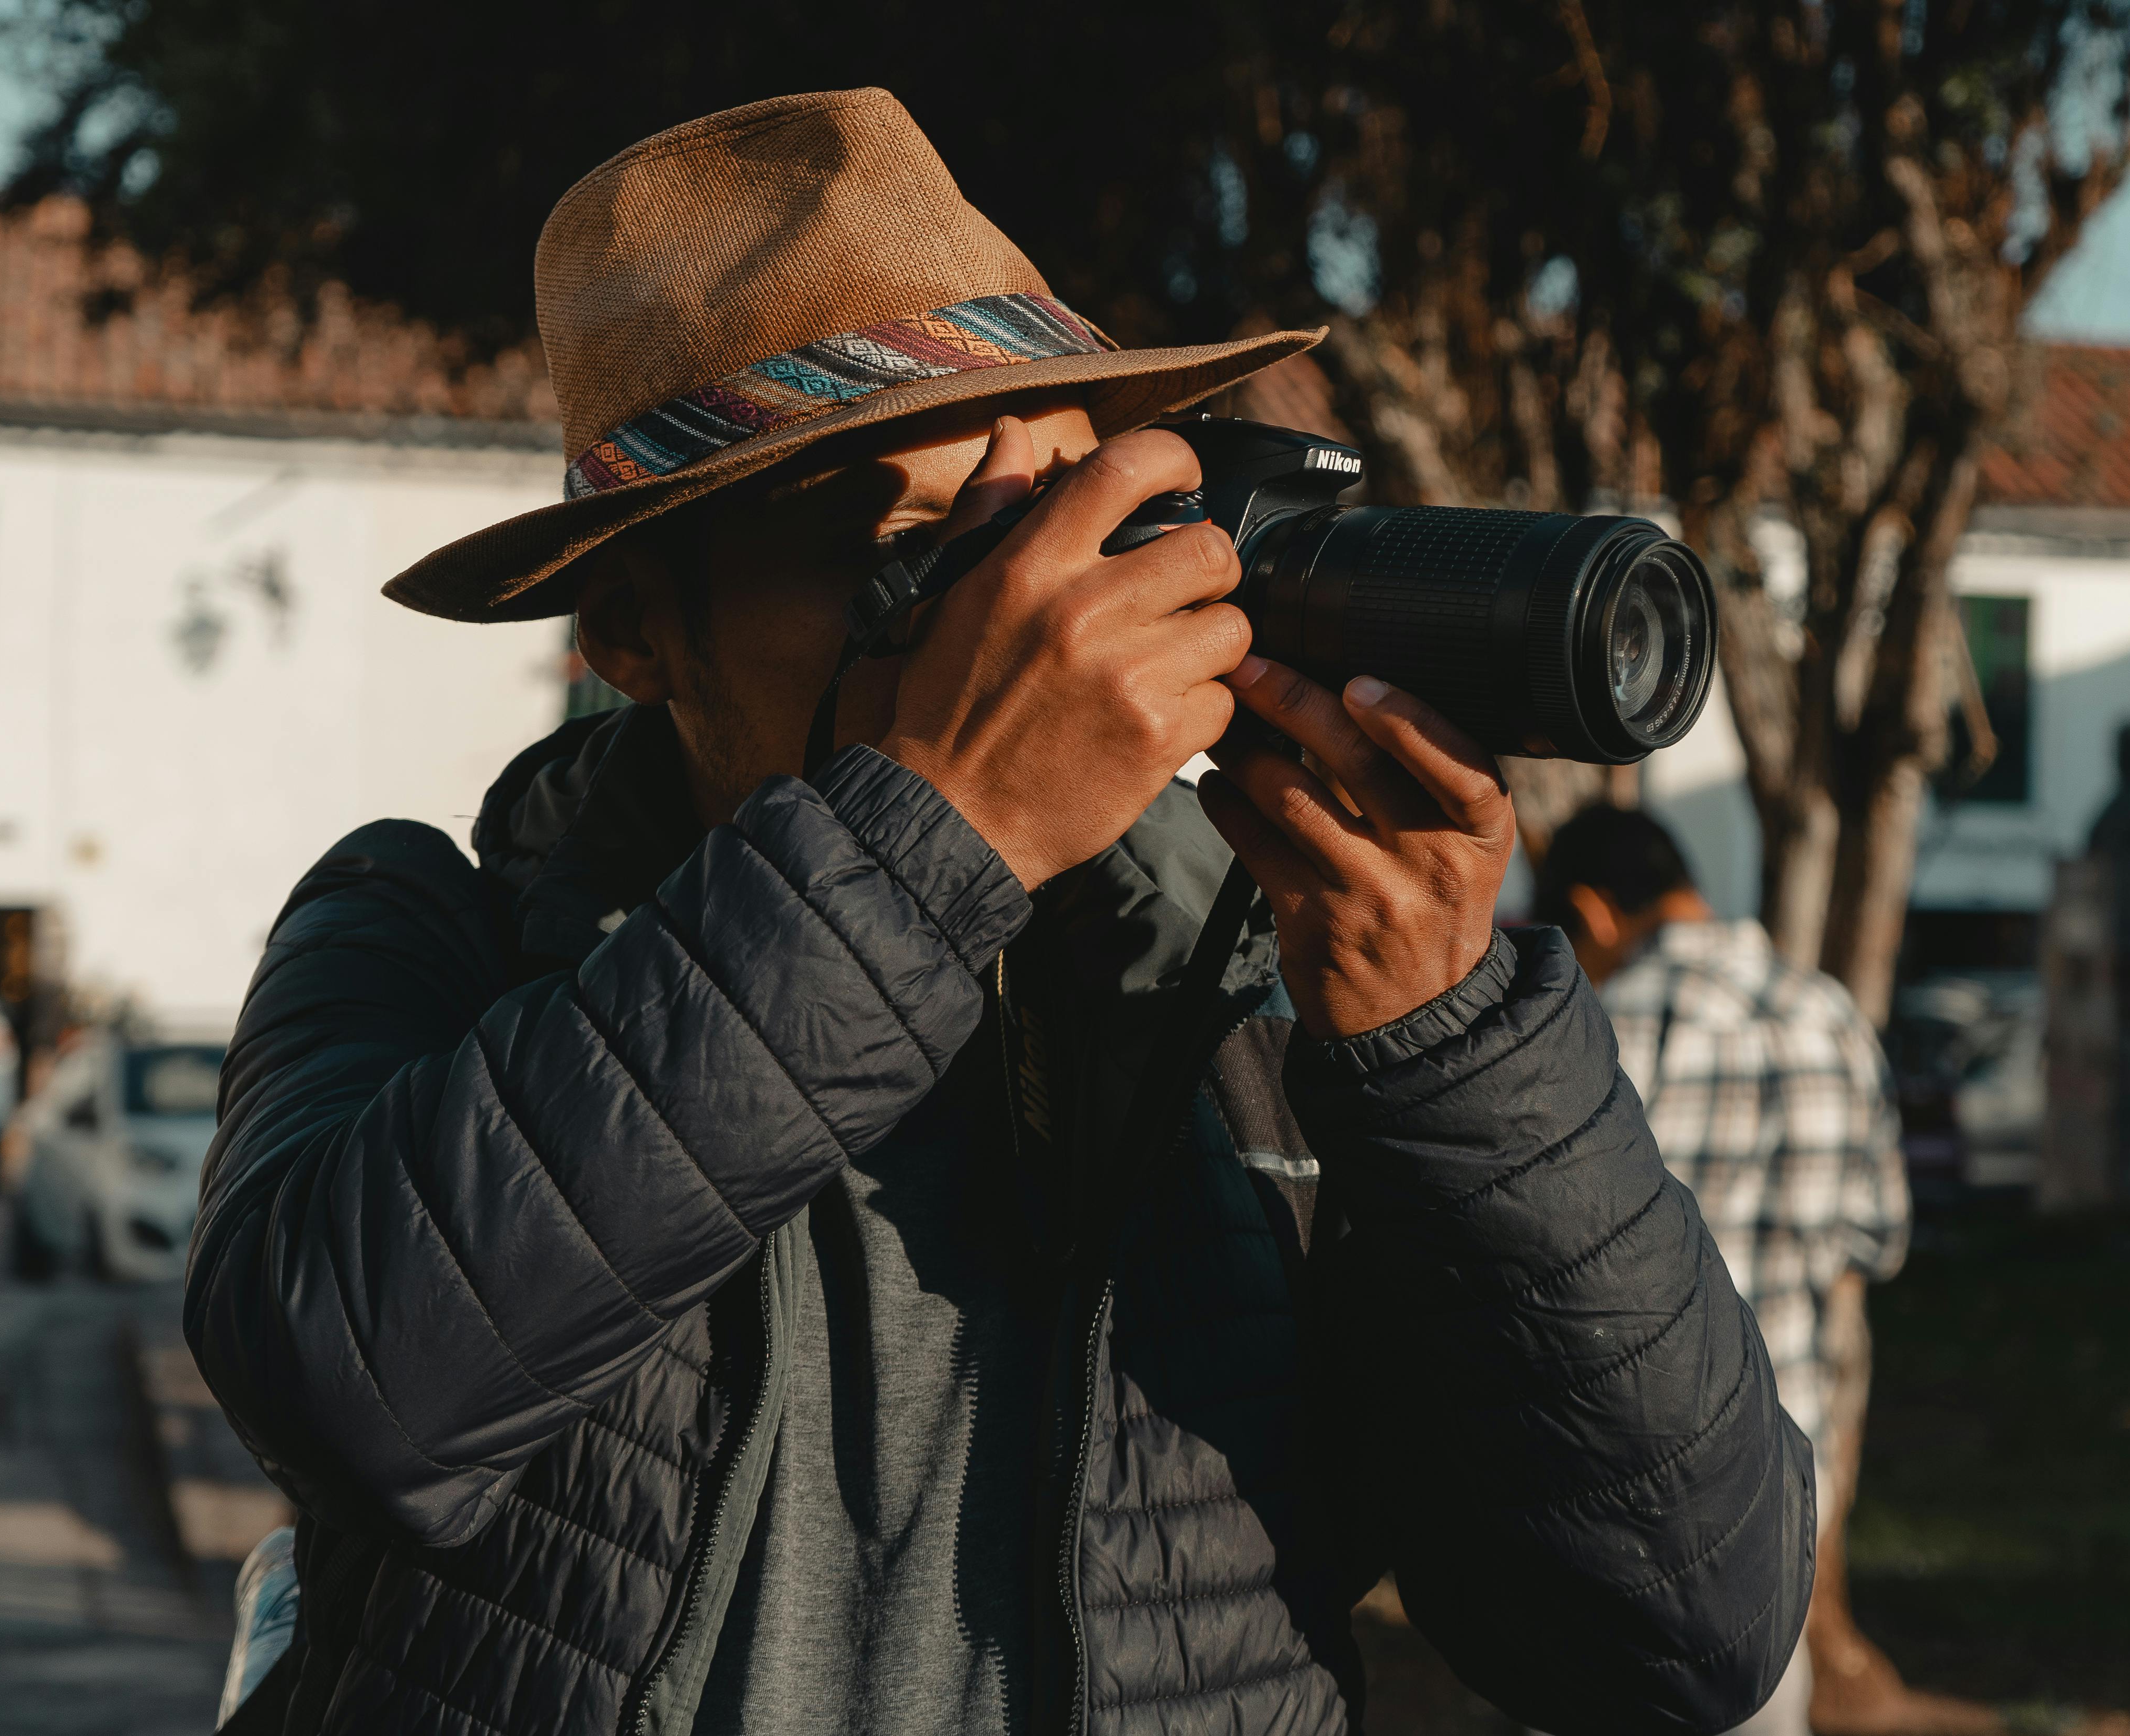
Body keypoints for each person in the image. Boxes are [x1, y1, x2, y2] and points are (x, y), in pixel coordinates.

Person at [190, 90, 1812, 1736]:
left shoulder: (1240, 1012)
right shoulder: (429, 937)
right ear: (633, 632)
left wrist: (1446, 1039)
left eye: (1058, 521)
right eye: (911, 539)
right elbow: (351, 1388)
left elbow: (1678, 1635)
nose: (1025, 611)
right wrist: (934, 824)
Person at [1535, 806, 1983, 1736]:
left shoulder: (1593, 1026)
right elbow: (1876, 1242)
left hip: (1609, 1463)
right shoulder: (1829, 1014)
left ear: (1593, 912)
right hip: (1776, 1475)